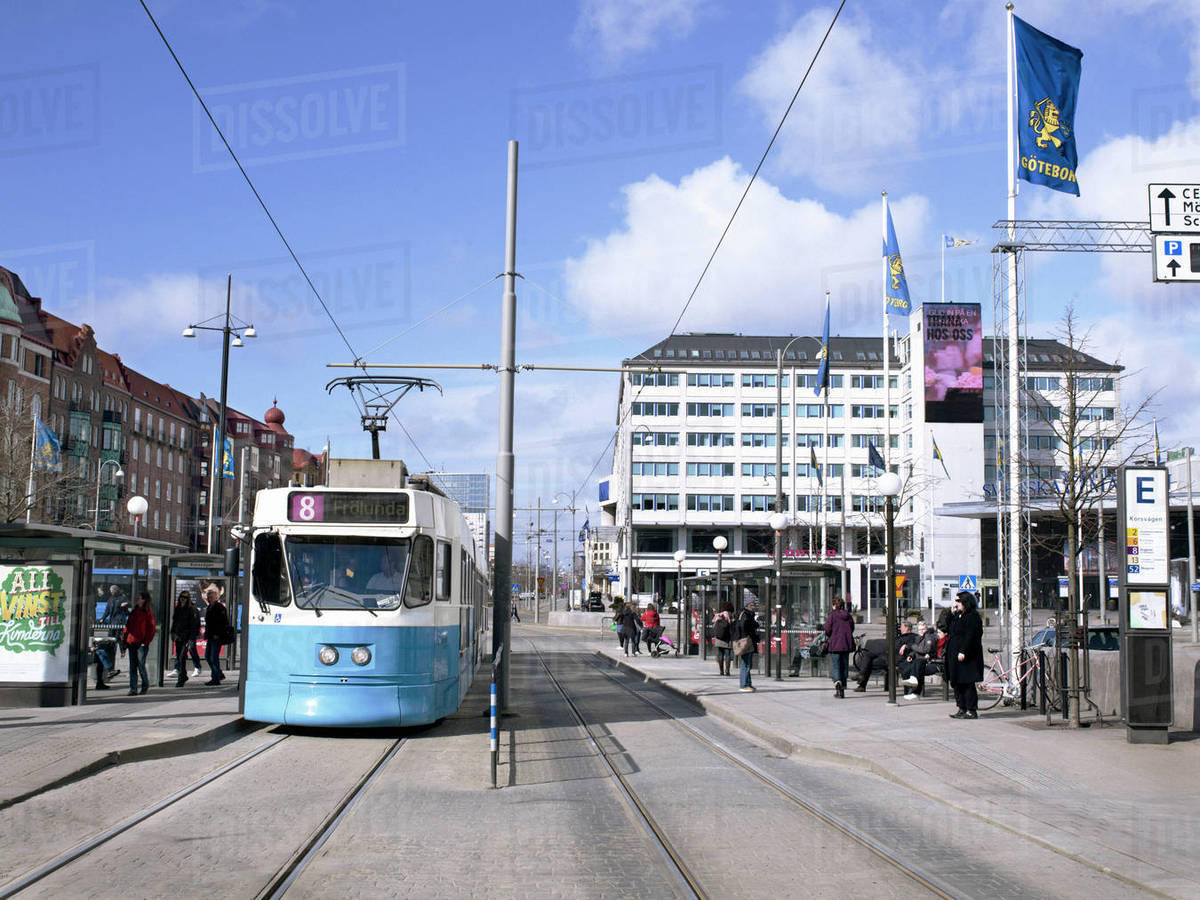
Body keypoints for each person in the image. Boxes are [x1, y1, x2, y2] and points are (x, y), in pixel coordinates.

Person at [947, 590, 984, 719]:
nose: (956, 604)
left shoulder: (972, 616)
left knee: (967, 682)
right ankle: (961, 707)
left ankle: (971, 709)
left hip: (967, 655)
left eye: (958, 601)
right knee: (956, 682)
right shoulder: (958, 615)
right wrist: (951, 615)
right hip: (954, 653)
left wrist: (963, 651)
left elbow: (971, 636)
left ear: (965, 602)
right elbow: (949, 629)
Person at [123, 592, 156, 696]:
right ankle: (133, 689)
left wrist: (145, 642)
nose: (137, 599)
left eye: (139, 598)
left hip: (141, 643)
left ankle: (144, 686)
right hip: (132, 642)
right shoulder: (134, 611)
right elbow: (128, 626)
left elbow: (151, 629)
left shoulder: (148, 613)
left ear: (144, 600)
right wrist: (125, 640)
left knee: (141, 665)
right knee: (133, 666)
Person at [824, 596, 855, 698]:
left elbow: (827, 629)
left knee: (836, 666)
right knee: (844, 665)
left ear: (834, 605)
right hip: (846, 645)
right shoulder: (848, 615)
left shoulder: (832, 615)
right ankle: (844, 685)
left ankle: (838, 685)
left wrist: (832, 635)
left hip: (835, 644)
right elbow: (852, 628)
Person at [170, 591, 202, 687]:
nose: (182, 599)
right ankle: (182, 675)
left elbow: (195, 625)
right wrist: (173, 633)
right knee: (179, 657)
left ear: (188, 599)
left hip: (187, 637)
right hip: (179, 637)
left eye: (184, 597)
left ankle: (181, 677)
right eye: (181, 597)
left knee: (182, 657)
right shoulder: (178, 609)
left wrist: (191, 638)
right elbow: (175, 623)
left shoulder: (192, 610)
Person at [901, 621, 938, 700]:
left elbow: (926, 649)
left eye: (923, 629)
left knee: (918, 666)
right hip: (919, 660)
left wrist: (913, 646)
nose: (921, 631)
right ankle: (909, 690)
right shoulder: (919, 637)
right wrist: (911, 655)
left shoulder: (929, 636)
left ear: (926, 629)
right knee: (905, 668)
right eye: (919, 630)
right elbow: (917, 650)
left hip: (928, 662)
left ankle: (915, 690)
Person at [203, 586, 232, 685]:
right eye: (208, 597)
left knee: (213, 657)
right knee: (207, 656)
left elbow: (223, 623)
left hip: (216, 636)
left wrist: (218, 634)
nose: (209, 599)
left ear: (216, 598)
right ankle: (218, 673)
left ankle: (215, 678)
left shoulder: (219, 607)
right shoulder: (209, 607)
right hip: (210, 636)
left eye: (211, 597)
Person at [735, 597, 760, 692]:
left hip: (748, 640)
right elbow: (744, 627)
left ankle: (748, 683)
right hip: (746, 641)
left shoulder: (747, 614)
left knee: (748, 663)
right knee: (745, 663)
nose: (753, 607)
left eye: (754, 605)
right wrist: (754, 625)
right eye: (751, 605)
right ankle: (744, 685)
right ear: (747, 605)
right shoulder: (745, 615)